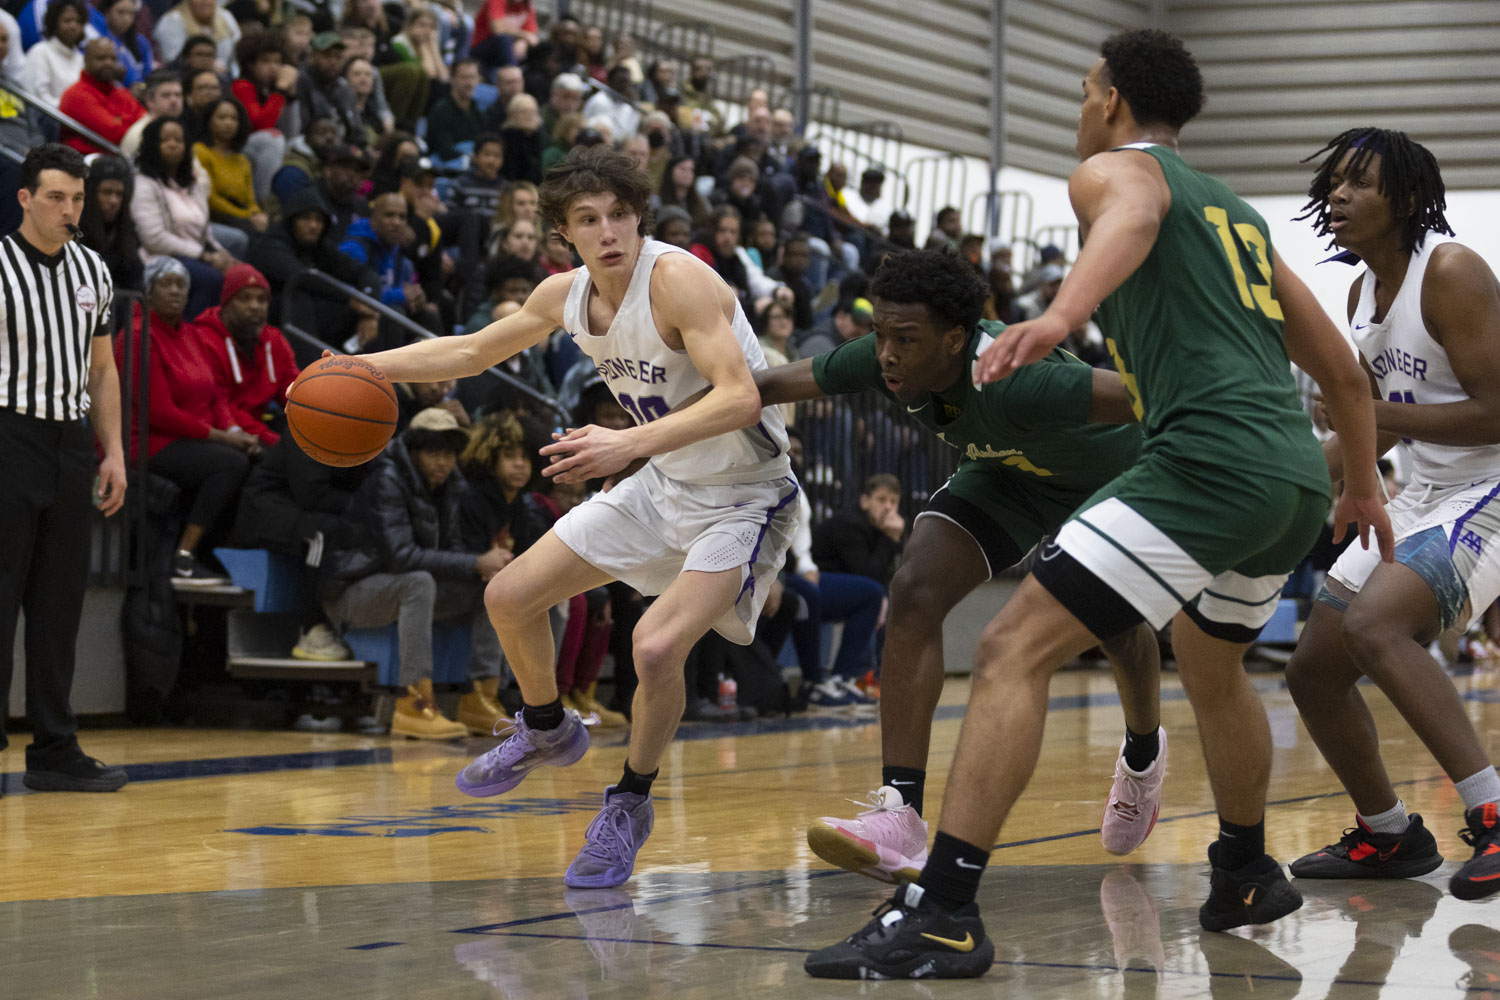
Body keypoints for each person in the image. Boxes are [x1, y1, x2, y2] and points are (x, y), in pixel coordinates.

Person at [802, 30, 1392, 980]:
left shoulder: (1113, 171)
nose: (1081, 110)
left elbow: (1130, 210)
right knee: (1214, 664)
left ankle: (945, 909)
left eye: (1084, 92)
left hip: (1206, 459)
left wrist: (1060, 316)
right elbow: (1341, 372)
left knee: (1008, 648)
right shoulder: (1237, 214)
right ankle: (1244, 867)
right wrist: (1358, 483)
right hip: (1289, 476)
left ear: (1112, 101)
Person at [352, 146, 795, 888]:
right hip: (663, 481)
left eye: (620, 214)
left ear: (638, 216)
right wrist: (364, 368)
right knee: (508, 596)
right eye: (589, 219)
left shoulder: (679, 280)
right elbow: (469, 350)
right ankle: (547, 725)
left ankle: (629, 802)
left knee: (655, 650)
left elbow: (739, 398)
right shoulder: (564, 294)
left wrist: (625, 443)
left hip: (743, 494)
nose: (609, 230)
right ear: (563, 230)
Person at [756, 245, 1166, 872]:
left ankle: (1142, 755)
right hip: (1008, 476)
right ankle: (901, 814)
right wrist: (661, 421)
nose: (887, 353)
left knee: (1115, 628)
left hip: (1105, 482)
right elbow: (769, 384)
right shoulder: (889, 354)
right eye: (879, 334)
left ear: (953, 340)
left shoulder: (1019, 376)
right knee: (915, 587)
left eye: (905, 339)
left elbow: (1151, 399)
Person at [1282, 128, 1500, 899]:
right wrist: (1289, 482)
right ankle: (1389, 833)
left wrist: (1369, 412)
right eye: (1333, 182)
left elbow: (1496, 413)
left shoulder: (1451, 270)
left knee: (1376, 627)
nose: (1336, 194)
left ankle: (1492, 813)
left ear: (1404, 200)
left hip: (1491, 488)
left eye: (1359, 183)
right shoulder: (1358, 292)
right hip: (1424, 495)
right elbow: (1377, 427)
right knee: (1312, 674)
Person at [0, 144, 128, 795]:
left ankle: (53, 745)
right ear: (25, 198)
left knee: (58, 605)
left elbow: (102, 370)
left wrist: (114, 452)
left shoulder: (93, 271)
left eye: (77, 198)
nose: (70, 209)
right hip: (7, 434)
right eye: (57, 197)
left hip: (70, 440)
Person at [319, 407, 510, 739]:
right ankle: (415, 705)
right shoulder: (386, 479)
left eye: (449, 454)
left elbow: (451, 550)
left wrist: (489, 566)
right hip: (352, 593)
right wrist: (475, 562)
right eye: (434, 453)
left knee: (492, 591)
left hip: (407, 590)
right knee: (418, 582)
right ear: (413, 450)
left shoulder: (451, 485)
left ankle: (478, 700)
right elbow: (401, 557)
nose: (443, 462)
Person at [118, 256, 258, 582]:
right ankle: (183, 555)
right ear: (148, 292)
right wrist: (222, 438)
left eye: (181, 284)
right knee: (229, 463)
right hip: (146, 442)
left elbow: (216, 396)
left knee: (254, 461)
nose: (176, 291)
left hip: (190, 439)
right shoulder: (139, 336)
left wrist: (235, 429)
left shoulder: (192, 335)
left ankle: (211, 550)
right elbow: (159, 413)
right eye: (166, 283)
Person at [132, 115, 239, 319]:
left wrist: (222, 255)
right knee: (211, 279)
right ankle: (192, 338)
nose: (173, 145)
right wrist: (204, 256)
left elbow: (204, 232)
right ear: (152, 145)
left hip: (194, 256)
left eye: (179, 140)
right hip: (159, 257)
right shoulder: (144, 183)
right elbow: (154, 238)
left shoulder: (193, 183)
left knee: (243, 276)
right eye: (165, 140)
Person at [191, 263, 297, 445]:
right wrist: (272, 440)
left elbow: (294, 388)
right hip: (223, 430)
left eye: (261, 299)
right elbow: (220, 404)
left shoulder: (274, 339)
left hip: (261, 425)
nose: (254, 306)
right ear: (226, 304)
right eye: (245, 298)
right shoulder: (203, 340)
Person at [194, 96, 269, 236]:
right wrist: (246, 215)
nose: (228, 123)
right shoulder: (200, 151)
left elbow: (250, 200)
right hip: (215, 218)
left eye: (234, 119)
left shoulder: (242, 160)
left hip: (242, 216)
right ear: (209, 121)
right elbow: (211, 198)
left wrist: (257, 214)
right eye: (221, 118)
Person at [58, 39, 144, 157]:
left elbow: (145, 123)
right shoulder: (75, 95)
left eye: (113, 59)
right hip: (85, 163)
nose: (108, 63)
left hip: (120, 160)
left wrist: (121, 120)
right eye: (101, 58)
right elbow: (114, 135)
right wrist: (130, 119)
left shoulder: (121, 92)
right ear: (86, 60)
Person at [77, 154, 143, 293]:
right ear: (91, 193)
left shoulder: (125, 231)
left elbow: (135, 280)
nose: (114, 201)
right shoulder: (73, 230)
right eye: (106, 192)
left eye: (119, 194)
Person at [21, 0, 86, 108]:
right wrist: (70, 110)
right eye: (67, 21)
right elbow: (37, 97)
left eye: (78, 21)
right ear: (54, 22)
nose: (73, 26)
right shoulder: (40, 51)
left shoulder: (82, 60)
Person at [154, 0, 239, 69]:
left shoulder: (226, 17)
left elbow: (235, 60)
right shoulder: (171, 21)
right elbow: (172, 60)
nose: (204, 2)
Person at [119, 69, 182, 159]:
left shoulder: (180, 126)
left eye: (178, 95)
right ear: (150, 100)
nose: (174, 101)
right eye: (166, 95)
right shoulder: (140, 134)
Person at [99, 0, 151, 88]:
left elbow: (148, 76)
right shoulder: (99, 41)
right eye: (120, 12)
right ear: (107, 13)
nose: (126, 18)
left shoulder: (141, 43)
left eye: (131, 13)